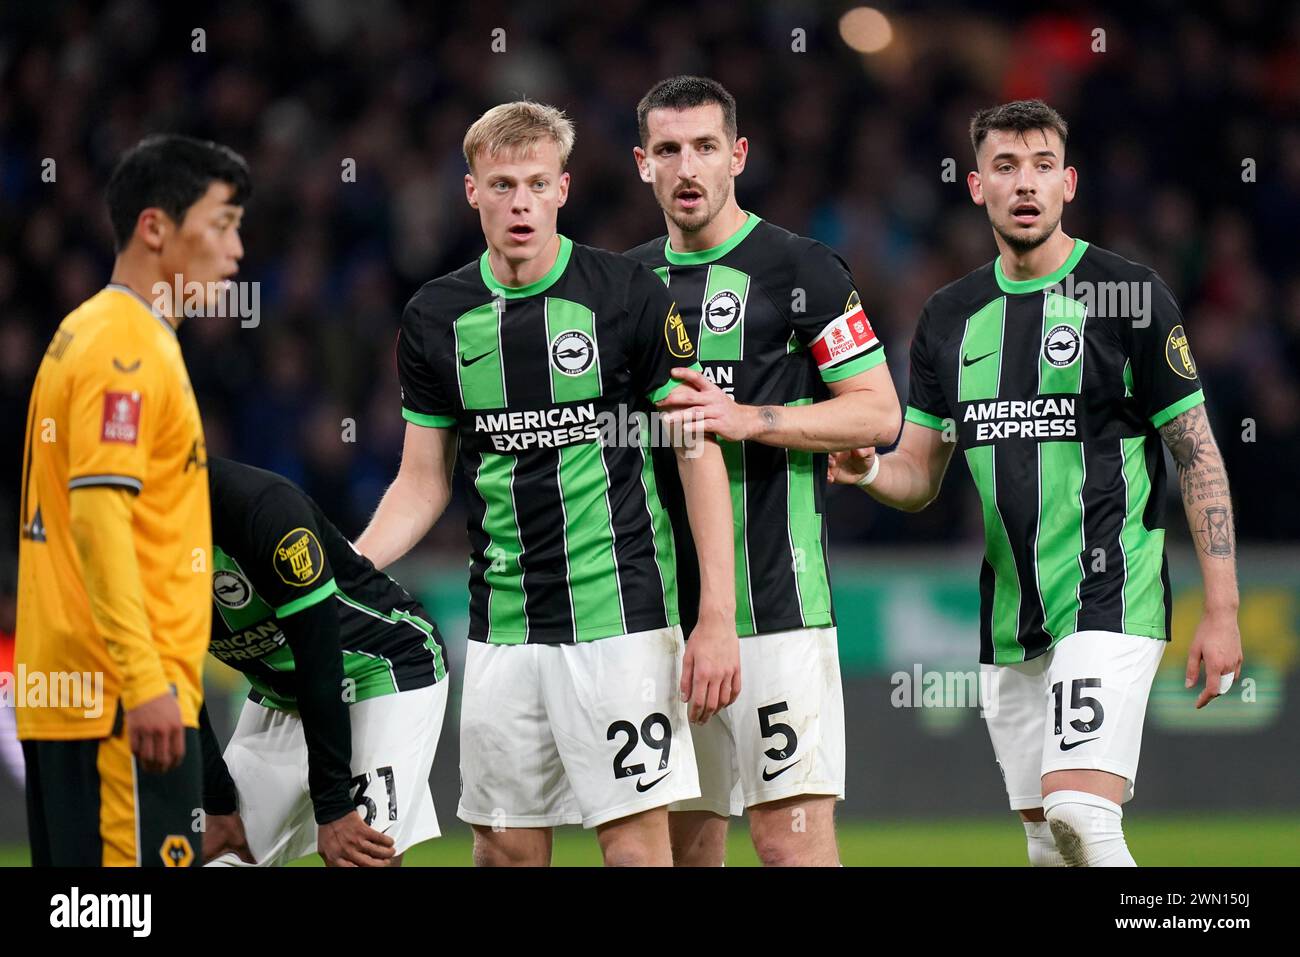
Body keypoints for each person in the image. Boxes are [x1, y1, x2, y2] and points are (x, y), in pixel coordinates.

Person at [829, 100, 1243, 866]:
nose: (1026, 184)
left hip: (1112, 591)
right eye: (1007, 167)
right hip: (1011, 614)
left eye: (1042, 166)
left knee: (1081, 813)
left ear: (1070, 183)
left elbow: (1198, 454)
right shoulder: (950, 317)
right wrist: (870, 469)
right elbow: (921, 472)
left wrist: (1222, 608)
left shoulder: (1130, 298)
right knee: (1048, 842)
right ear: (976, 185)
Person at [355, 101, 739, 867]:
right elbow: (422, 481)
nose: (519, 202)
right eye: (502, 185)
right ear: (472, 193)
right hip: (502, 628)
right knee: (505, 852)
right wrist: (349, 571)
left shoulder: (625, 293)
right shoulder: (436, 316)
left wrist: (716, 615)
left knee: (634, 848)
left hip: (622, 621)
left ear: (563, 188)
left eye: (536, 184)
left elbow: (697, 451)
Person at [626, 75, 900, 867]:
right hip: (659, 621)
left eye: (705, 147)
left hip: (780, 603)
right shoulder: (623, 287)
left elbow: (878, 411)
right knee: (688, 850)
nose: (687, 168)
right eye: (668, 150)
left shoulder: (803, 269)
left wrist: (751, 419)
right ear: (642, 163)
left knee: (789, 847)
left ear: (737, 155)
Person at [16, 134, 247, 866]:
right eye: (222, 223)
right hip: (122, 707)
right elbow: (99, 514)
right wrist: (147, 683)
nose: (237, 251)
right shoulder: (128, 348)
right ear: (155, 228)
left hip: (72, 695)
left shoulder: (81, 330)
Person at [200, 457, 448, 867]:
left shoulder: (264, 509)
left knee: (358, 858)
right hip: (280, 692)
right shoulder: (126, 545)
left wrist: (332, 806)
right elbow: (167, 678)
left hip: (383, 667)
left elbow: (319, 655)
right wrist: (215, 803)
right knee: (212, 857)